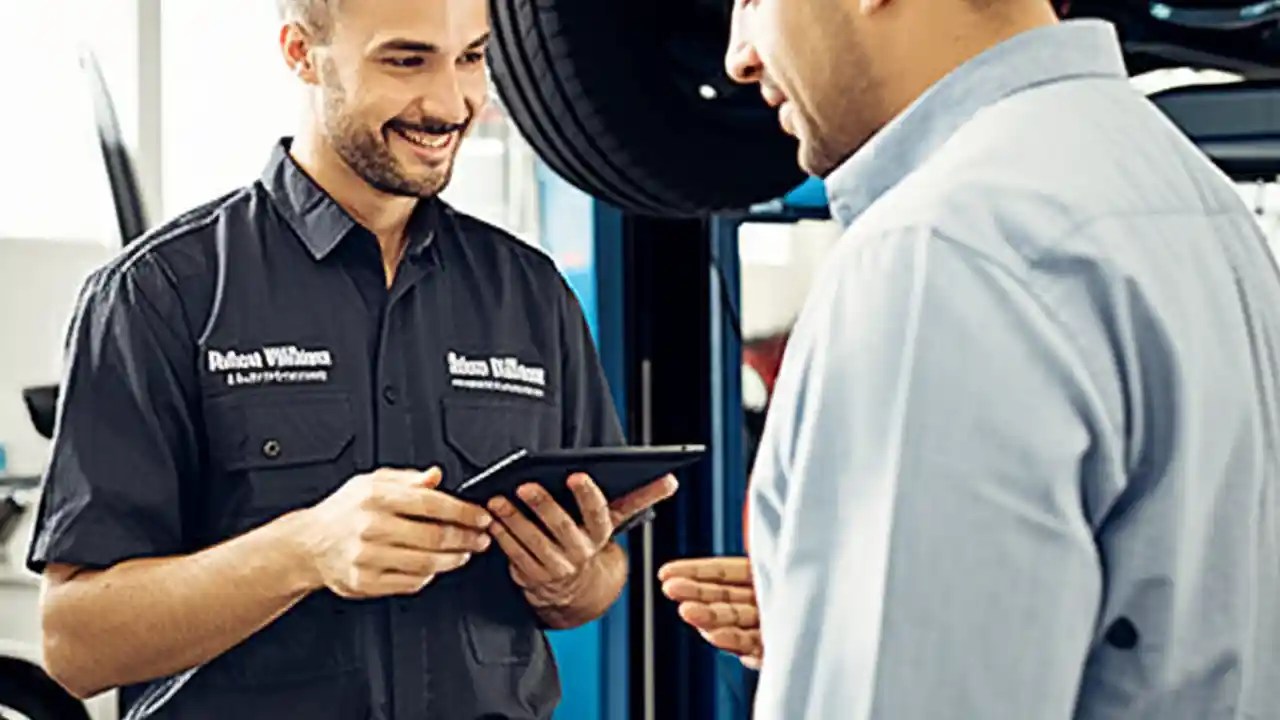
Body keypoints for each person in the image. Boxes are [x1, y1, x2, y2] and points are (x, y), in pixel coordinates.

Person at [26, 1, 676, 718]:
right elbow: (76, 644)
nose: (451, 103)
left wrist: (569, 579)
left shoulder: (531, 293)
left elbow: (601, 575)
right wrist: (306, 550)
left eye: (471, 58)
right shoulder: (159, 293)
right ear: (302, 53)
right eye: (406, 60)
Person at [664, 0, 1280, 718]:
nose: (739, 56)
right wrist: (847, 631)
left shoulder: (939, 250)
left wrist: (872, 656)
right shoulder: (1184, 196)